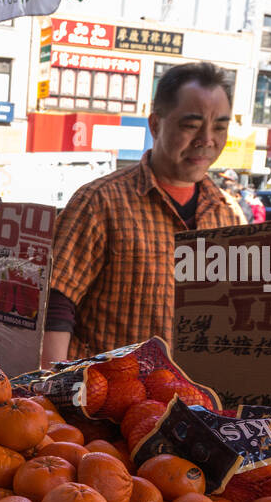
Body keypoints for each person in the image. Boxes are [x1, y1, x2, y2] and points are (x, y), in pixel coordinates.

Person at [45, 61, 245, 365]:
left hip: (195, 403)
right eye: (191, 126)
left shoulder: (228, 215)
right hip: (105, 404)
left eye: (220, 127)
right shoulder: (99, 202)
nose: (207, 140)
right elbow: (56, 302)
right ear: (155, 124)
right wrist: (50, 389)